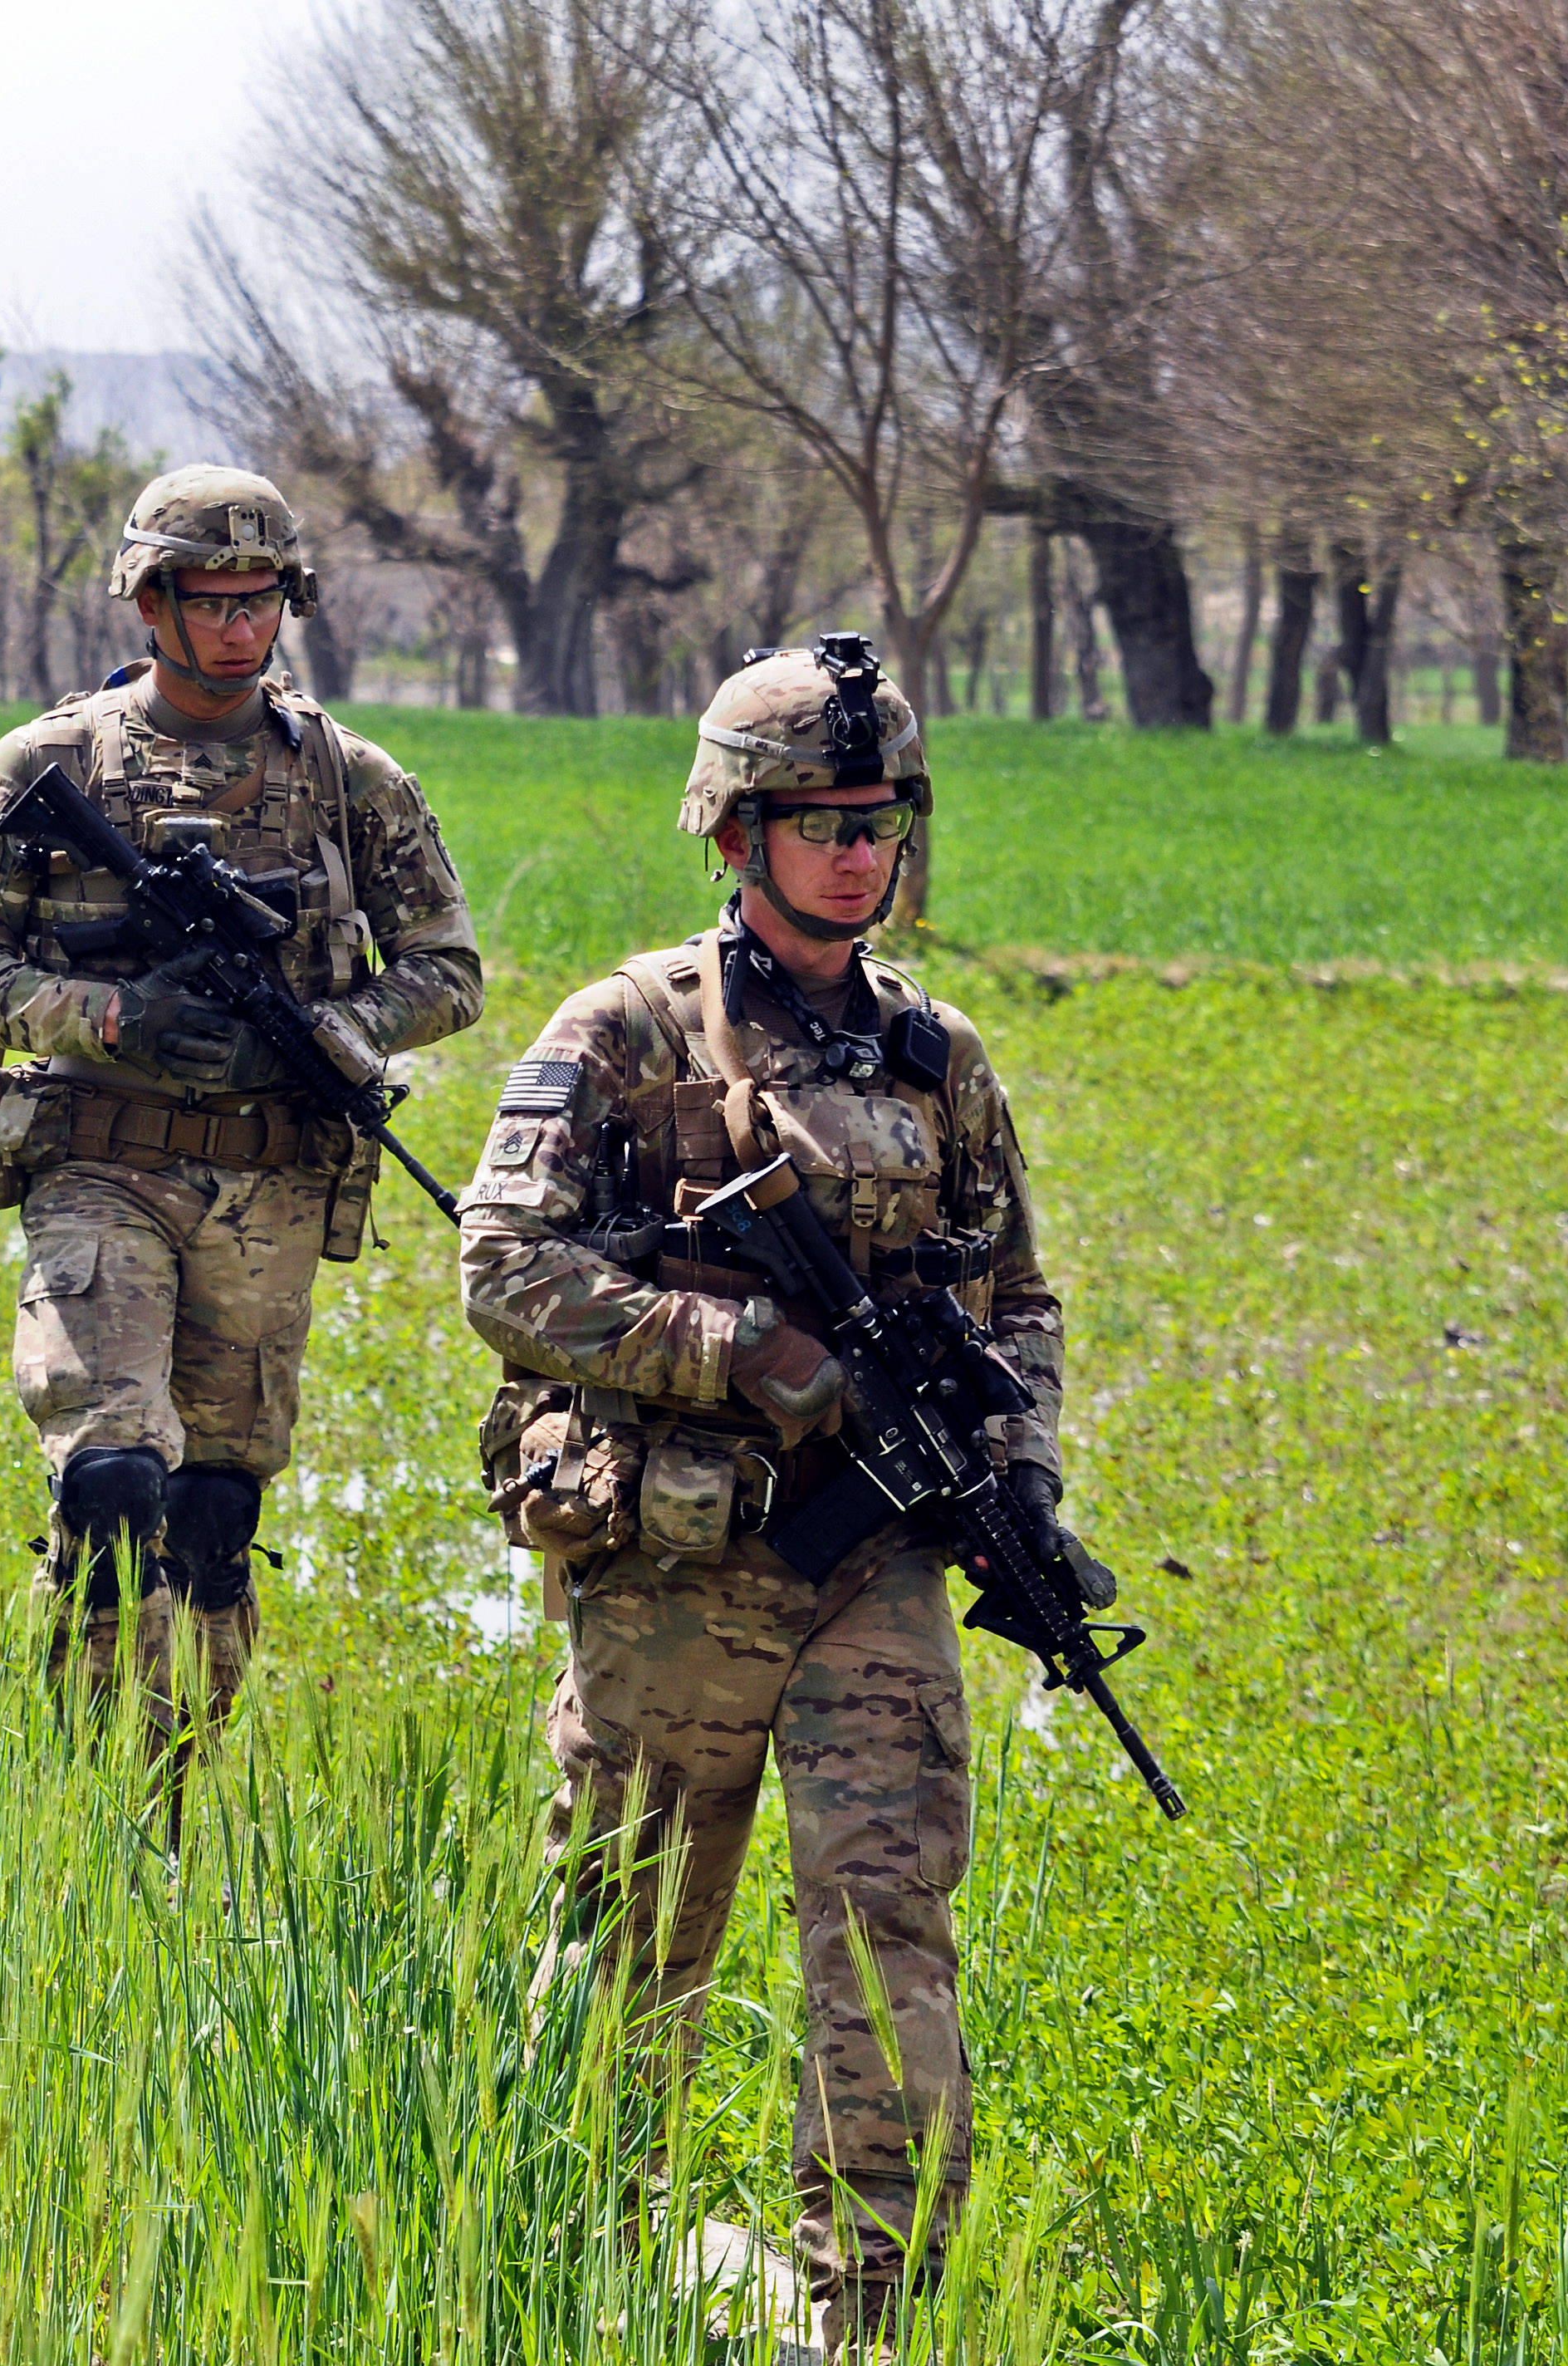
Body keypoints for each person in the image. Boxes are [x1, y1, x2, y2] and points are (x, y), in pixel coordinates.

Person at [453, 640, 1065, 2354]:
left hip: (875, 1560)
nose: (857, 852)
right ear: (737, 828)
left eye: (880, 820)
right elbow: (504, 1269)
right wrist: (733, 1345)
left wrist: (1020, 1475)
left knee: (888, 1932)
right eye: (818, 819)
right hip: (676, 1556)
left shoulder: (943, 1060)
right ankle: (563, 2273)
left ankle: (862, 2310)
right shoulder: (627, 1030)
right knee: (625, 1936)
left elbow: (1015, 1302)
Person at [0, 464, 484, 1840]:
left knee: (213, 1518)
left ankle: (168, 1805)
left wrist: (325, 1033)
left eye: (259, 601)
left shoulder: (349, 779)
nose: (238, 628)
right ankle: (76, 1802)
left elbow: (450, 969)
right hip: (97, 1161)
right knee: (112, 1477)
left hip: (268, 1178)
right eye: (208, 600)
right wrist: (111, 1012)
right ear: (150, 601)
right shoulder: (46, 765)